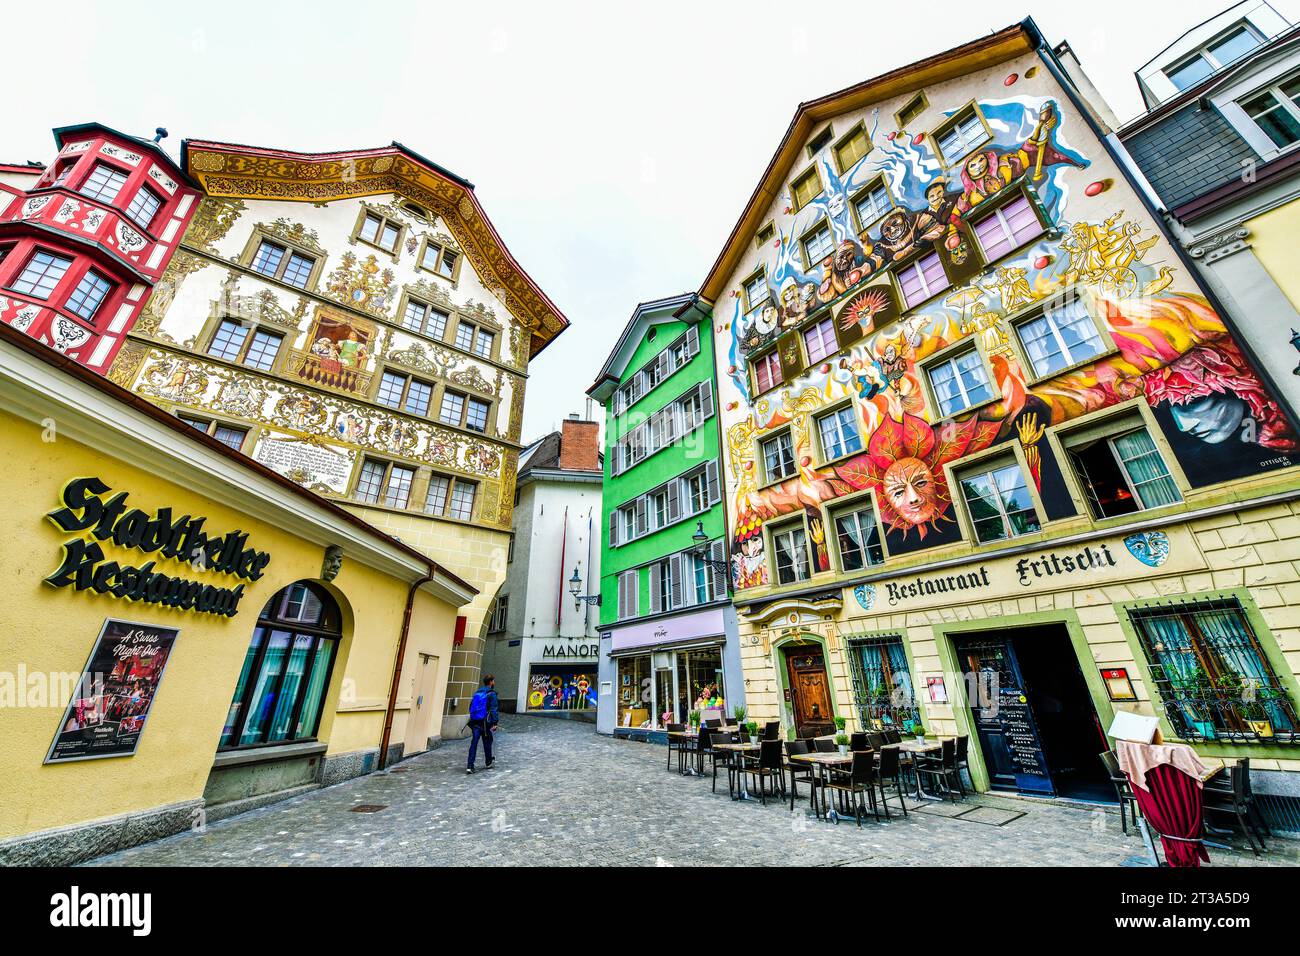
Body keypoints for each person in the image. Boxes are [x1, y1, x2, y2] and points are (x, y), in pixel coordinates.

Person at [466, 674, 499, 774]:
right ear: (491, 682)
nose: (494, 683)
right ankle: (488, 761)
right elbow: (494, 709)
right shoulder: (491, 694)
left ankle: (470, 765)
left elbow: (471, 706)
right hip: (485, 723)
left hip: (475, 722)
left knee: (474, 743)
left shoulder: (478, 692)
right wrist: (495, 723)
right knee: (488, 741)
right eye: (493, 681)